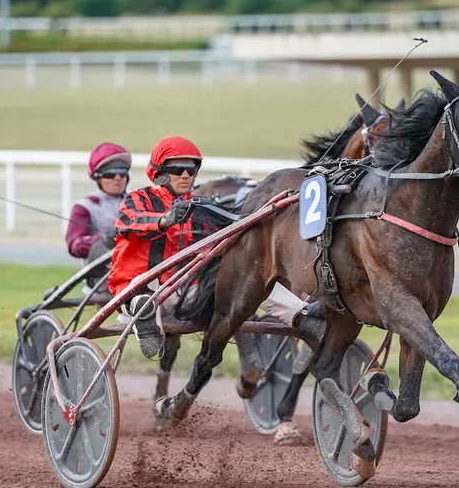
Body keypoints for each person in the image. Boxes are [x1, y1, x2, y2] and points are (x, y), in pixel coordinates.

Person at [108, 135, 324, 360]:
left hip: (186, 294)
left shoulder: (200, 207)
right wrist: (166, 220)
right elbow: (129, 221)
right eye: (177, 168)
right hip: (142, 289)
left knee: (248, 277)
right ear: (159, 171)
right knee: (142, 287)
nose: (185, 175)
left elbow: (232, 230)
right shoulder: (138, 199)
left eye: (191, 169)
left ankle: (303, 315)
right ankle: (145, 315)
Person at [65, 142, 131, 302]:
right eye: (110, 174)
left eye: (122, 173)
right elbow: (74, 245)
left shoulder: (137, 202)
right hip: (102, 278)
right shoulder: (84, 207)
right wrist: (106, 239)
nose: (117, 178)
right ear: (97, 177)